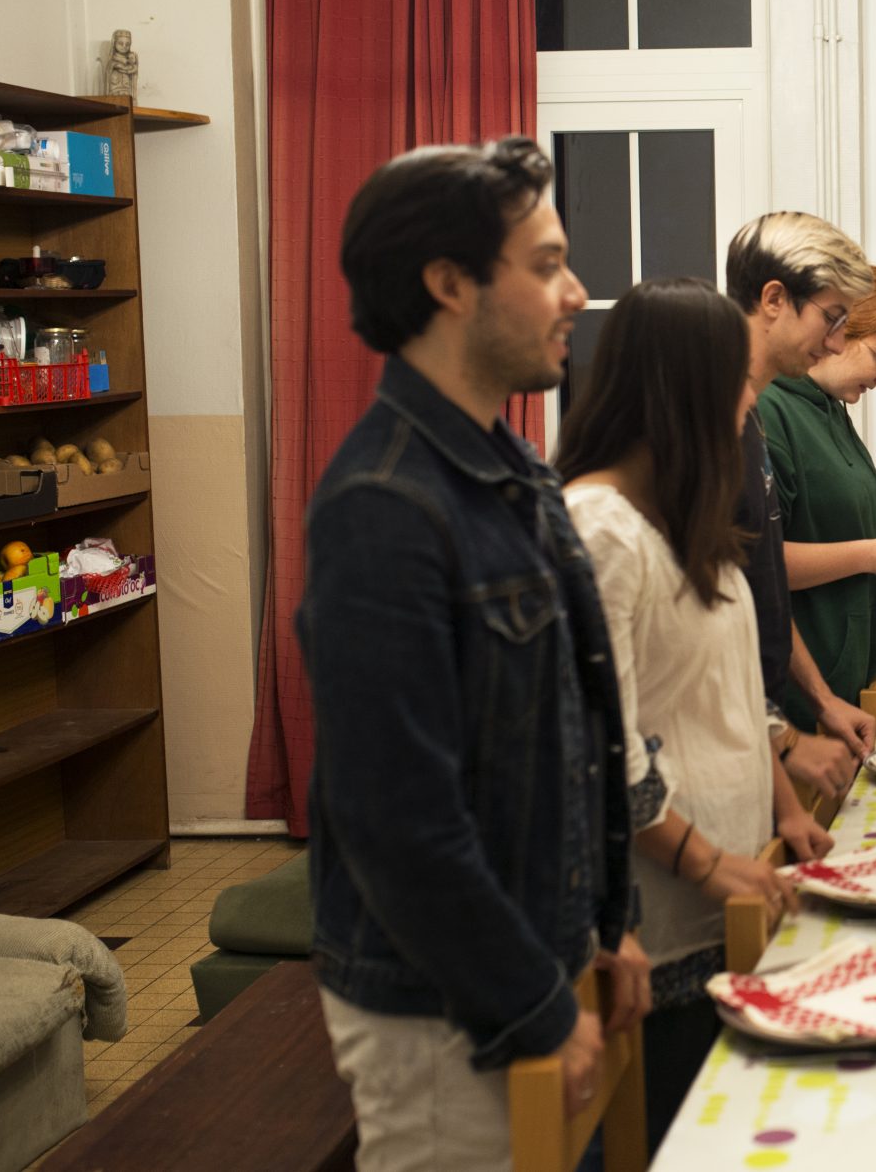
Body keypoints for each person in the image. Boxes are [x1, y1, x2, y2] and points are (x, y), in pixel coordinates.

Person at [298, 138, 649, 1170]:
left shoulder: (507, 467)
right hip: (448, 1015)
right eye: (544, 265)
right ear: (448, 284)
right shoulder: (385, 503)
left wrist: (598, 927)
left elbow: (564, 742)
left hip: (530, 970)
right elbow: (398, 820)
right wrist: (534, 1005)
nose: (576, 293)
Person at [557, 278, 829, 1141]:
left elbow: (726, 688)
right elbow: (605, 749)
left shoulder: (674, 517)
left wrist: (783, 789)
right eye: (740, 384)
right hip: (668, 913)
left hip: (731, 887)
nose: (752, 407)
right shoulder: (599, 527)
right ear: (685, 392)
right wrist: (709, 863)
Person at [725, 212, 876, 796]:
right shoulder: (709, 419)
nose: (837, 343)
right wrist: (783, 744)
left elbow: (759, 587)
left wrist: (821, 701)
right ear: (773, 299)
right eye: (831, 319)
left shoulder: (747, 420)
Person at [759, 268, 876, 727]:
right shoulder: (770, 409)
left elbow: (825, 521)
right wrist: (874, 554)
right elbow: (760, 563)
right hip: (799, 702)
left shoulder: (829, 406)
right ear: (841, 333)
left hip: (845, 689)